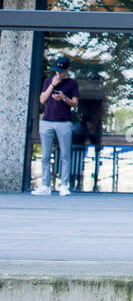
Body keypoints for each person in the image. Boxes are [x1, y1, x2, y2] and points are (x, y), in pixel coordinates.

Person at [33, 55, 79, 196]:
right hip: (47, 121)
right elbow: (42, 100)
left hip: (64, 122)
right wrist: (52, 85)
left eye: (61, 70)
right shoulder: (48, 81)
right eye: (57, 70)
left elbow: (75, 103)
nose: (58, 72)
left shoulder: (72, 83)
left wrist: (64, 98)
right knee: (46, 155)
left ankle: (64, 185)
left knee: (65, 155)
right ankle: (45, 185)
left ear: (67, 69)